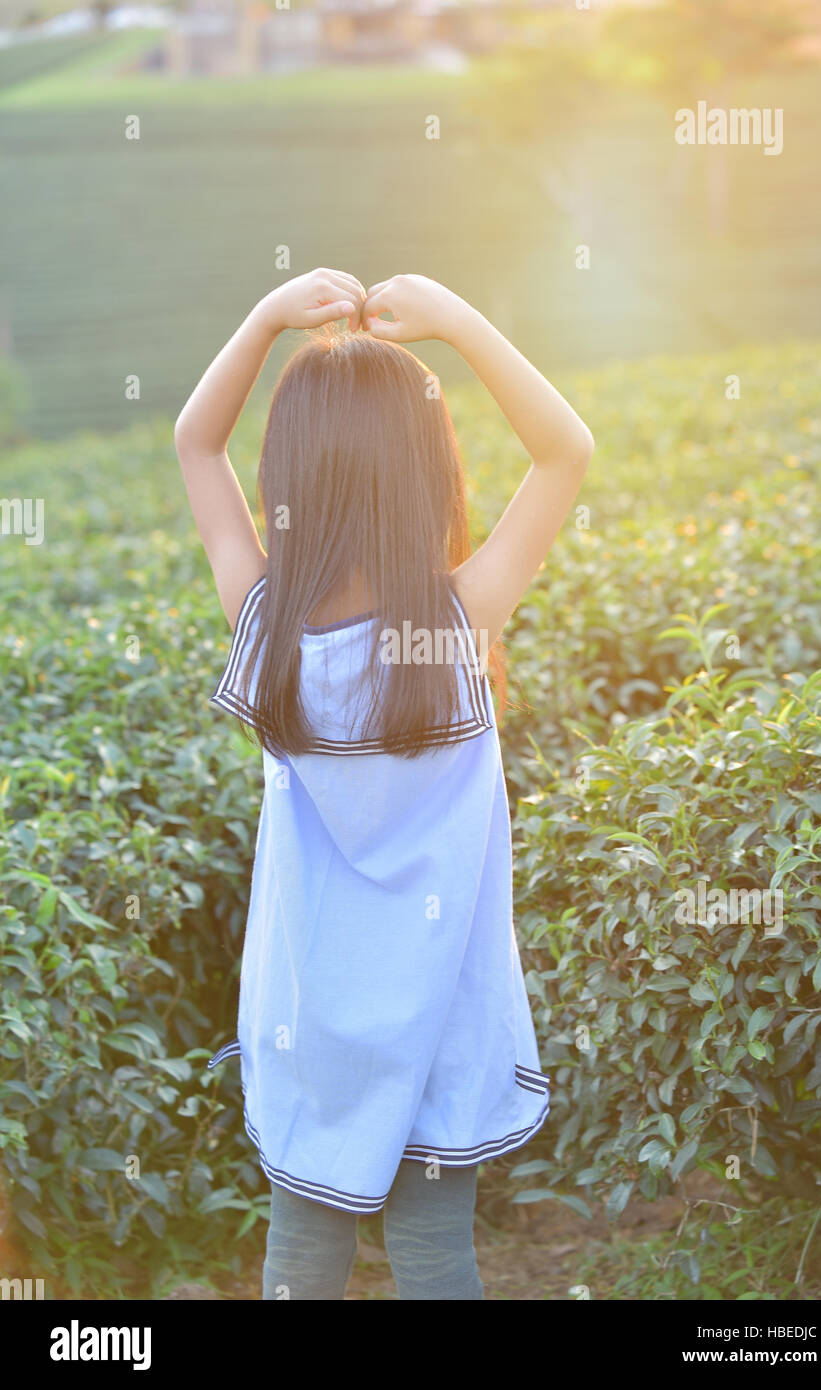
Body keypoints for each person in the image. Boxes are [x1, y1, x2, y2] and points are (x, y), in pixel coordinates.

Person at [174, 269, 594, 1300]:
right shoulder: (459, 621)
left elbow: (194, 440)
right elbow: (565, 450)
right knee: (437, 1254)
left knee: (301, 1259)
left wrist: (268, 315)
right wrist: (454, 319)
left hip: (309, 1014)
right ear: (428, 475)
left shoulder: (264, 628)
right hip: (441, 1007)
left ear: (290, 480)